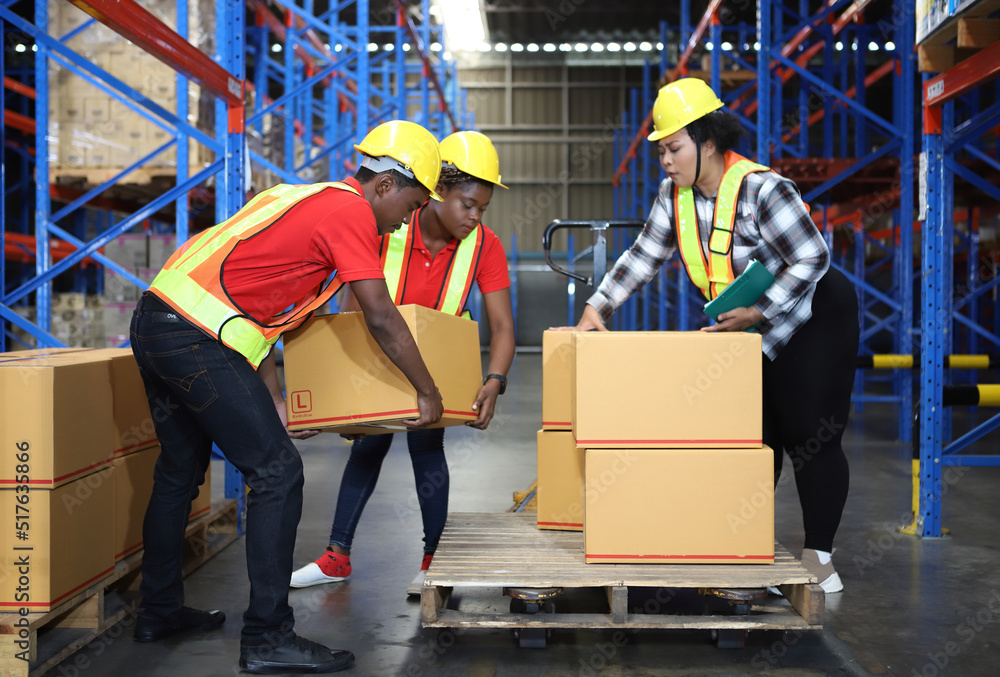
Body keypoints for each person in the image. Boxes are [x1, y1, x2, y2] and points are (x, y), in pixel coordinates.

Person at [129, 120, 447, 674]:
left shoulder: (299, 197)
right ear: (384, 186)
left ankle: (158, 611)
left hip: (157, 321)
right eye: (413, 203)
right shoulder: (350, 213)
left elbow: (264, 317)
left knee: (179, 470)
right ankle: (268, 636)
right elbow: (380, 315)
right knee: (278, 472)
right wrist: (428, 390)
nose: (407, 222)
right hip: (195, 338)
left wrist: (276, 400)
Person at [566, 78, 859, 593]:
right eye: (660, 151)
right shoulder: (673, 197)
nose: (665, 161)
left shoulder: (764, 189)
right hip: (750, 322)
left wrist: (759, 310)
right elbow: (644, 255)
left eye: (674, 148)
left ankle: (819, 560)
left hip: (814, 314)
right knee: (754, 438)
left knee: (810, 434)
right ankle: (749, 549)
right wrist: (597, 303)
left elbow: (813, 255)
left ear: (708, 143)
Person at [290, 130, 516, 596]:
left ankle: (434, 561)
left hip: (432, 368)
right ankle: (336, 557)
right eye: (467, 204)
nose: (474, 217)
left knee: (427, 451)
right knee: (367, 446)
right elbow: (353, 309)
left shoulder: (484, 246)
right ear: (437, 193)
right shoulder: (386, 225)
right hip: (378, 358)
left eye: (483, 209)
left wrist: (495, 379)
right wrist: (349, 397)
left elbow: (503, 325)